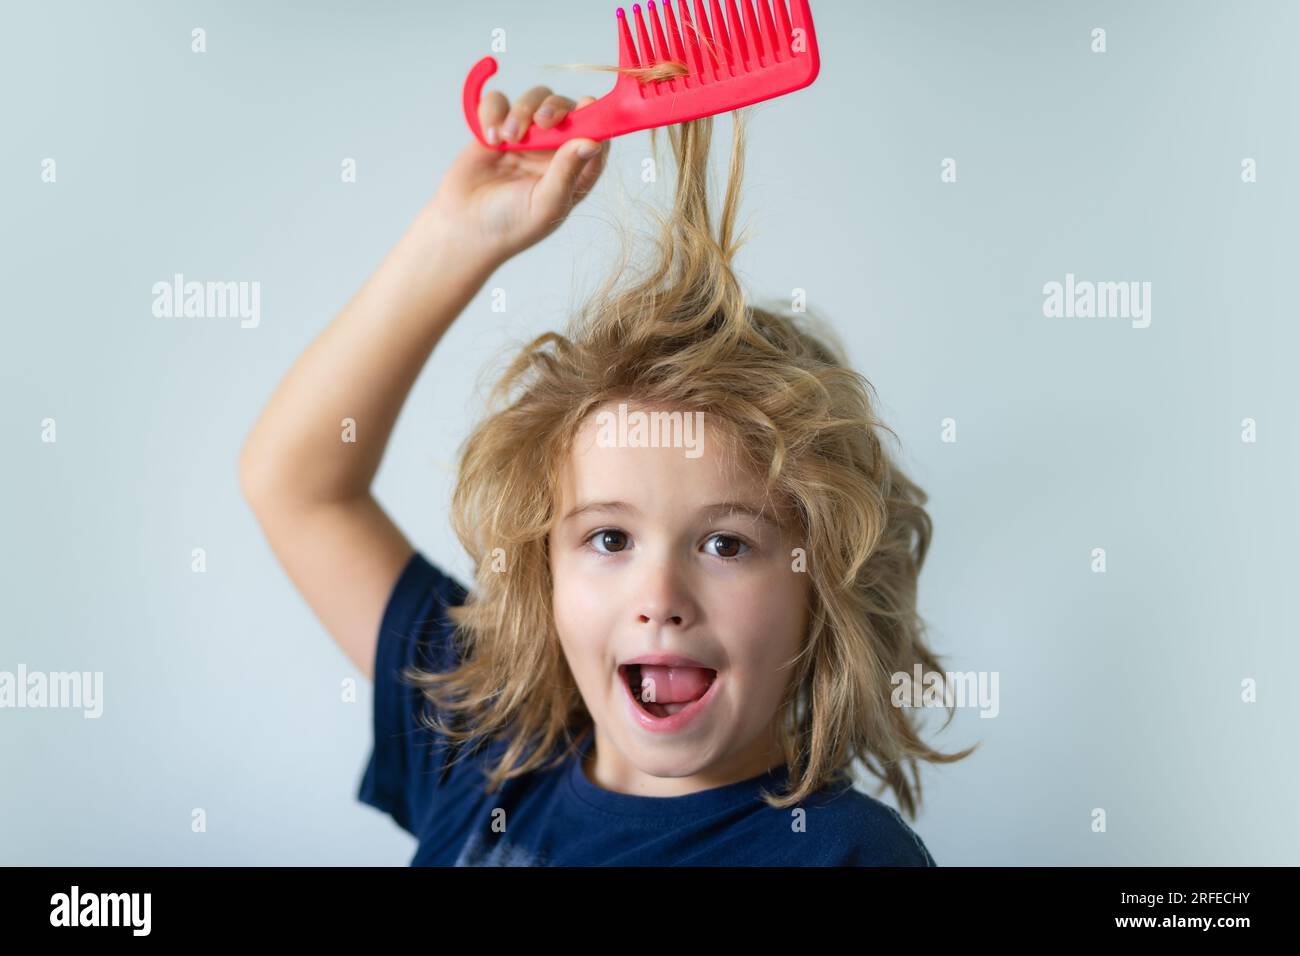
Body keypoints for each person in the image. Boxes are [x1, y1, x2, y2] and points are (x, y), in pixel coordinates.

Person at [239, 79, 974, 866]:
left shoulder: (842, 854)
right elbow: (295, 482)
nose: (659, 601)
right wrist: (457, 236)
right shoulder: (487, 750)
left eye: (727, 545)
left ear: (820, 586)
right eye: (610, 537)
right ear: (543, 567)